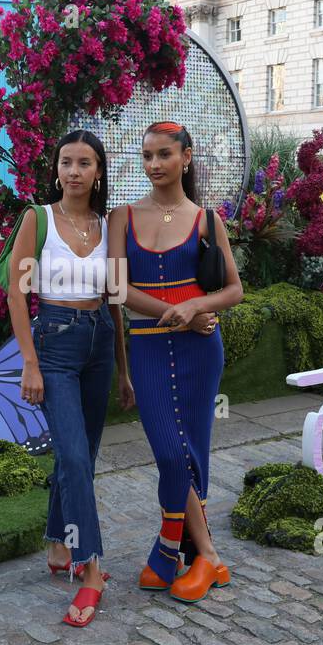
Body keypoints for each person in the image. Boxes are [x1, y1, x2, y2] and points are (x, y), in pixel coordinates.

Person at [107, 122, 243, 605]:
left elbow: (234, 289)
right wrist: (179, 313)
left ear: (186, 157)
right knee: (168, 451)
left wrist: (198, 309)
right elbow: (117, 290)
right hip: (146, 346)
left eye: (164, 154)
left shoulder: (208, 220)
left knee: (194, 453)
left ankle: (170, 555)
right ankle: (203, 554)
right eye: (147, 156)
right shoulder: (120, 217)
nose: (154, 164)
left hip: (200, 351)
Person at [10, 130, 133, 627]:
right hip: (54, 347)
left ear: (99, 171)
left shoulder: (110, 228)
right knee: (76, 459)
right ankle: (92, 569)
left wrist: (123, 370)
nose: (74, 171)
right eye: (66, 162)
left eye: (85, 163)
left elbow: (117, 300)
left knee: (82, 456)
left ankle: (60, 543)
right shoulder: (37, 219)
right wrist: (30, 362)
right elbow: (18, 294)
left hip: (100, 342)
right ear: (56, 169)